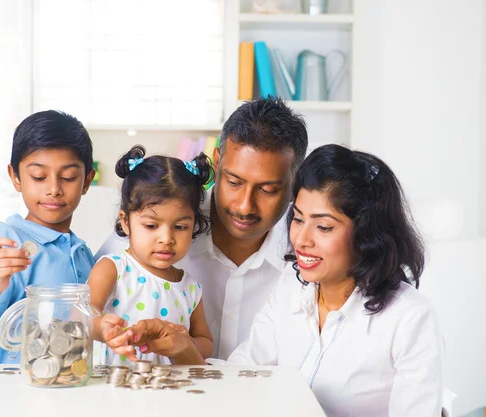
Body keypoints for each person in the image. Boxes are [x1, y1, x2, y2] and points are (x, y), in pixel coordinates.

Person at [126, 144, 445, 417]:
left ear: (366, 233)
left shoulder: (410, 318)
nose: (301, 239)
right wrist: (182, 348)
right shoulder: (293, 290)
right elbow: (241, 375)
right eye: (298, 219)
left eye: (324, 227)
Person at [95, 97, 309, 359]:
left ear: (294, 182)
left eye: (267, 190)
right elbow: (79, 316)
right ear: (216, 161)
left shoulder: (308, 253)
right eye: (234, 182)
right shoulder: (133, 243)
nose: (244, 206)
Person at [0, 110, 96, 364]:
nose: (54, 189)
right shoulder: (3, 243)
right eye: (38, 176)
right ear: (15, 177)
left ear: (87, 181)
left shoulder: (82, 252)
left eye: (68, 177)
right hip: (10, 399)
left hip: (69, 391)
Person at [89, 145, 214, 365]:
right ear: (126, 222)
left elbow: (206, 343)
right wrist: (102, 328)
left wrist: (185, 342)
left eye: (180, 227)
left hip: (172, 391)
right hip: (115, 391)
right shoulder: (113, 269)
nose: (166, 238)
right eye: (151, 225)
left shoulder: (191, 287)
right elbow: (79, 318)